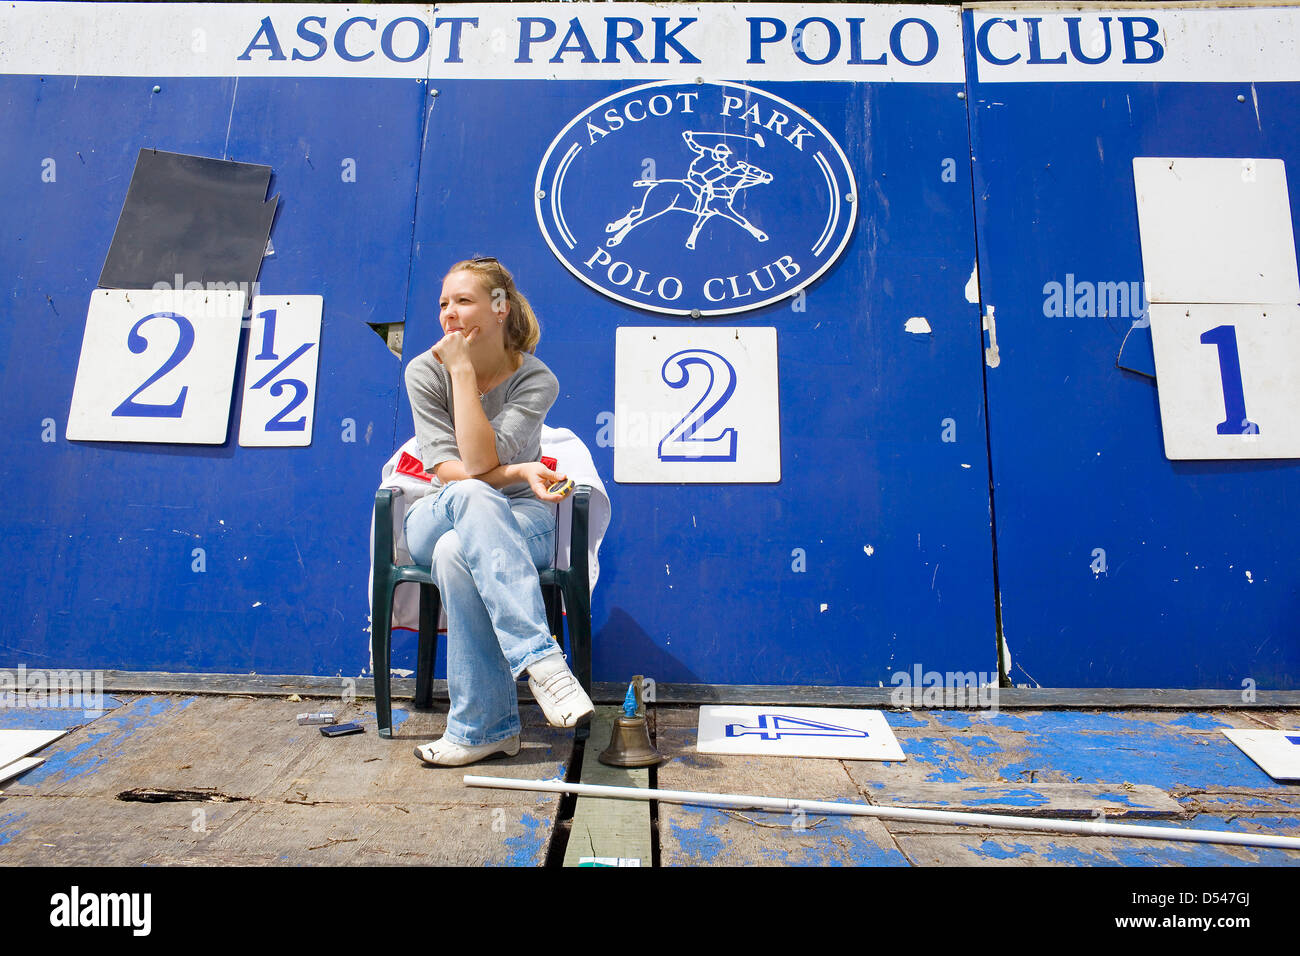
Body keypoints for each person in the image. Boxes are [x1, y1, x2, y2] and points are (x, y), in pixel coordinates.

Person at [402, 257, 594, 767]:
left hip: (519, 521)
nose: (449, 314)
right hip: (441, 507)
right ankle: (544, 662)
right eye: (443, 303)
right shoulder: (424, 371)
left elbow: (483, 457)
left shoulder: (537, 379)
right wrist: (517, 472)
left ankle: (484, 729)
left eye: (463, 301)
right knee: (467, 503)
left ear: (500, 307)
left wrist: (463, 372)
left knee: (454, 554)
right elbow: (453, 469)